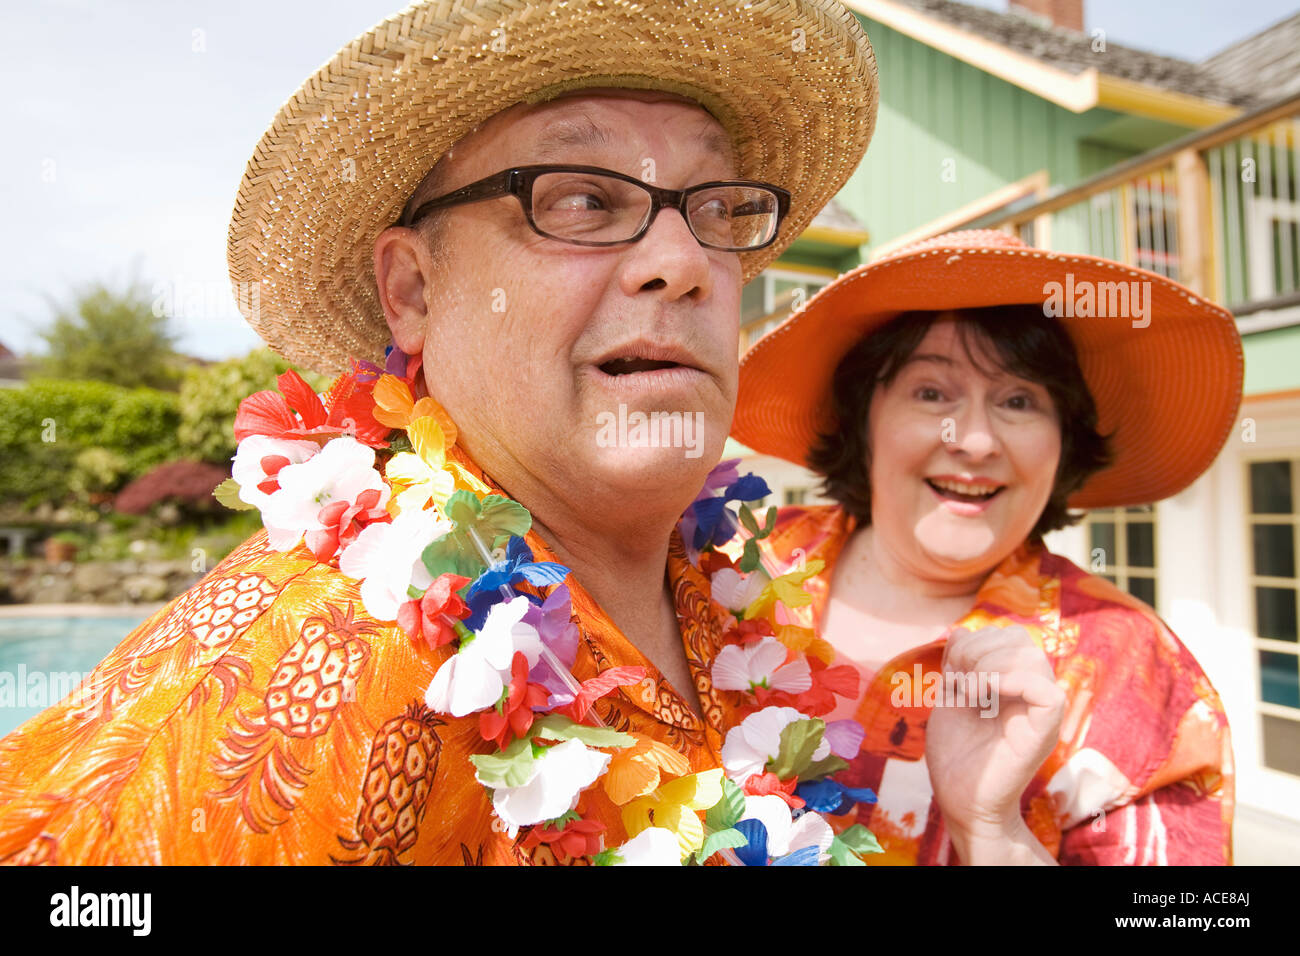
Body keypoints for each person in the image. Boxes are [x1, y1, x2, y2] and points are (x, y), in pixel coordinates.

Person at [0, 0, 879, 864]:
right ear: (414, 293)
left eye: (717, 211)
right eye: (581, 200)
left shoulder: (749, 623)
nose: (684, 263)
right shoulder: (312, 674)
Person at [728, 229, 1241, 865]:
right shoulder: (731, 561)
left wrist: (992, 830)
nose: (973, 439)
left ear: (1063, 442)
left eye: (1018, 400)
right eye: (932, 393)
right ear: (863, 418)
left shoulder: (1134, 671)